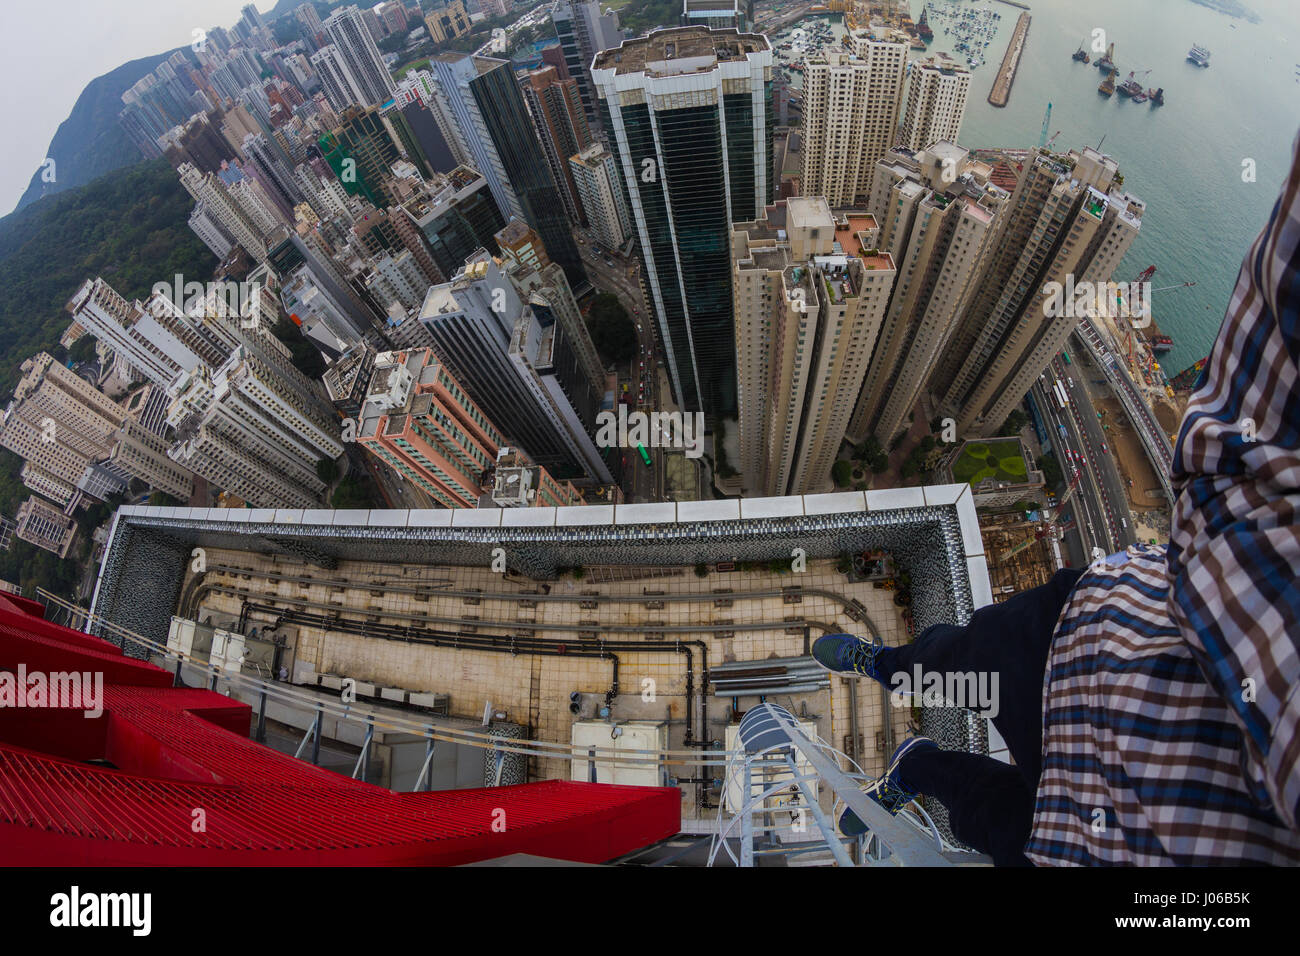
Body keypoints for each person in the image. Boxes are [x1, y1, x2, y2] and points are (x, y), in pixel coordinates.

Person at [814, 130, 1300, 866]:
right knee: (951, 657)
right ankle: (884, 665)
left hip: (1080, 847)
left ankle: (913, 766)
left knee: (968, 802)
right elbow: (1260, 400)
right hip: (1095, 645)